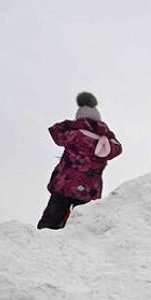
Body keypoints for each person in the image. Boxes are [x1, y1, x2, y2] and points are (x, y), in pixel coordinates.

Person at [38, 92, 123, 230]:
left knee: (50, 224)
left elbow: (55, 131)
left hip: (65, 185)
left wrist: (72, 124)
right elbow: (118, 149)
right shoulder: (105, 143)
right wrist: (106, 132)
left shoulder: (74, 135)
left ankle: (41, 246)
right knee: (80, 228)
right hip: (90, 191)